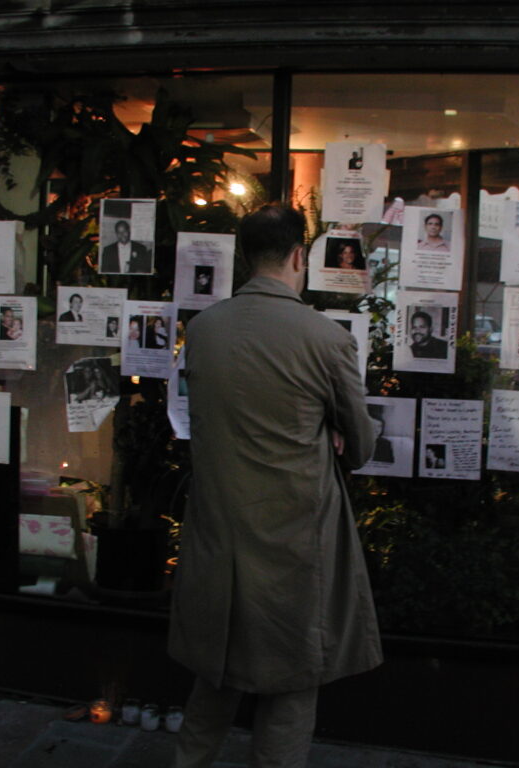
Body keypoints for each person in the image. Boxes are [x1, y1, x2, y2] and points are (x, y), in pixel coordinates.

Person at [168, 203, 380, 768]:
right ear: (298, 256)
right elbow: (360, 445)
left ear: (245, 256)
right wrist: (334, 428)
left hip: (220, 538)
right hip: (294, 545)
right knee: (290, 692)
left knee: (213, 683)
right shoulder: (325, 338)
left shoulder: (204, 331)